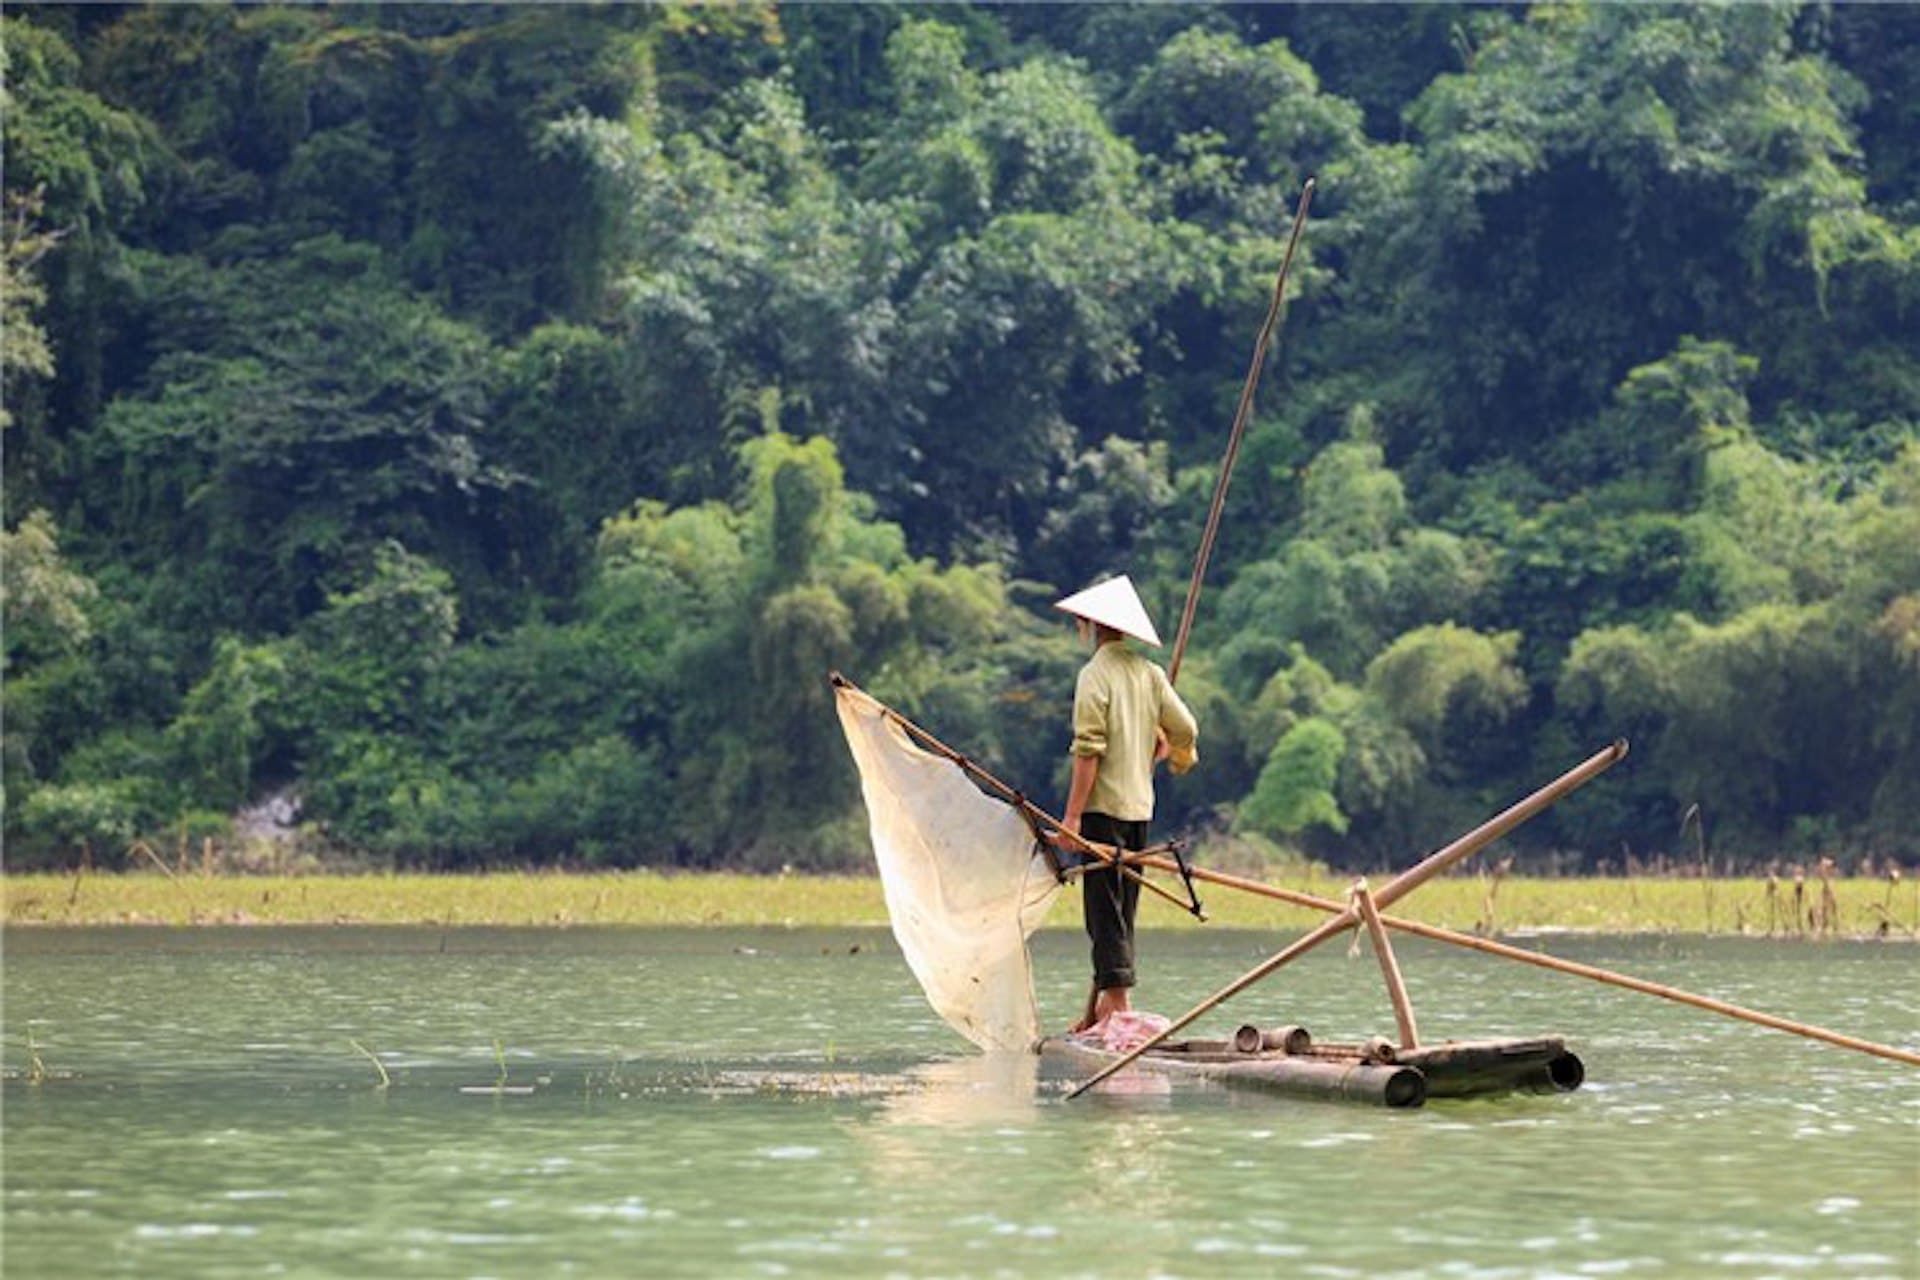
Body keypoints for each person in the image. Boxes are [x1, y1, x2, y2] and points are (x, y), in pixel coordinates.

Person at [1051, 575, 1198, 1032]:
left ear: (1090, 625)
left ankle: (1119, 1008)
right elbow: (1187, 731)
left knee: (1104, 911)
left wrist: (1072, 817)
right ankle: (1101, 1009)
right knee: (1121, 909)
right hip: (1139, 811)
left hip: (1103, 811)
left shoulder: (1095, 675)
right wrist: (1166, 754)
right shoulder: (1150, 676)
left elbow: (1089, 751)